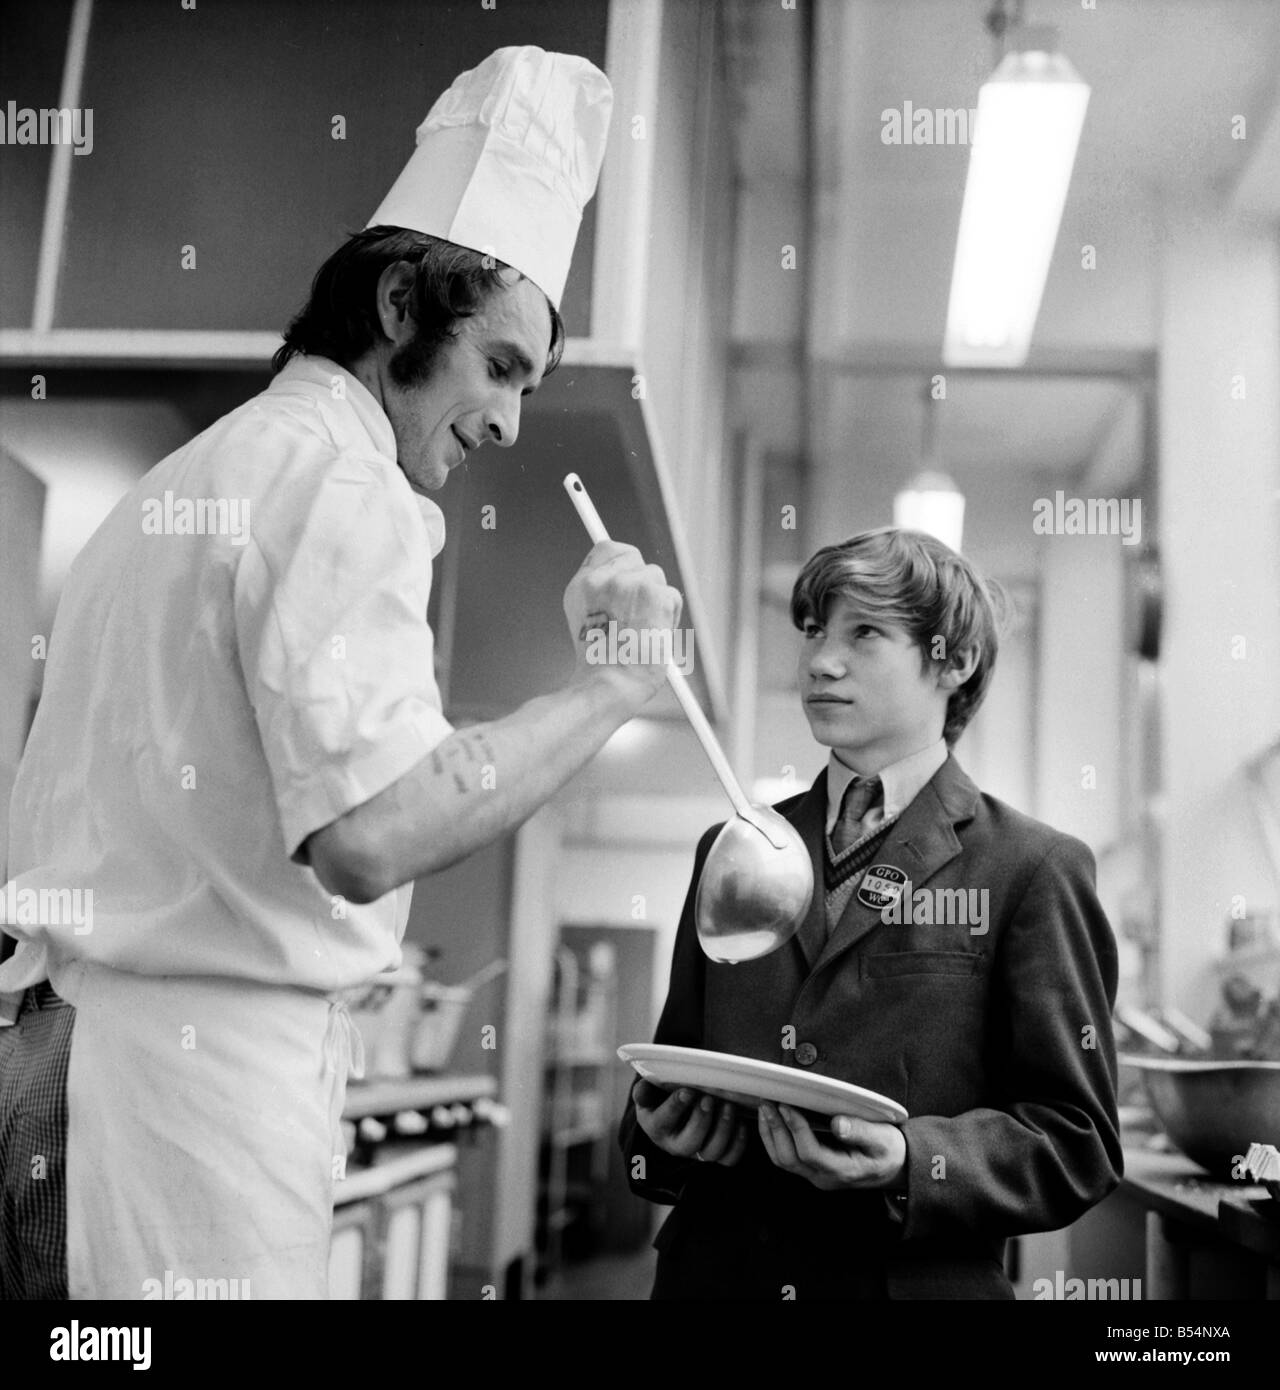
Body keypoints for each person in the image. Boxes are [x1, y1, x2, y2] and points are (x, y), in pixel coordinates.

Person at [0, 47, 681, 1300]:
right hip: (173, 1117)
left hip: (79, 1065)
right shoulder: (342, 481)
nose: (509, 423)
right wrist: (610, 688)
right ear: (400, 308)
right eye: (501, 367)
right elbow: (370, 832)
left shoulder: (202, 472)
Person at [620, 527, 1122, 1300]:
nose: (820, 660)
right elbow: (671, 1065)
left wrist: (910, 1160)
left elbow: (1076, 1139)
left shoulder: (1032, 868)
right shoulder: (731, 846)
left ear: (952, 662)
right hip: (716, 1277)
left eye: (866, 633)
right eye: (817, 629)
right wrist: (662, 1133)